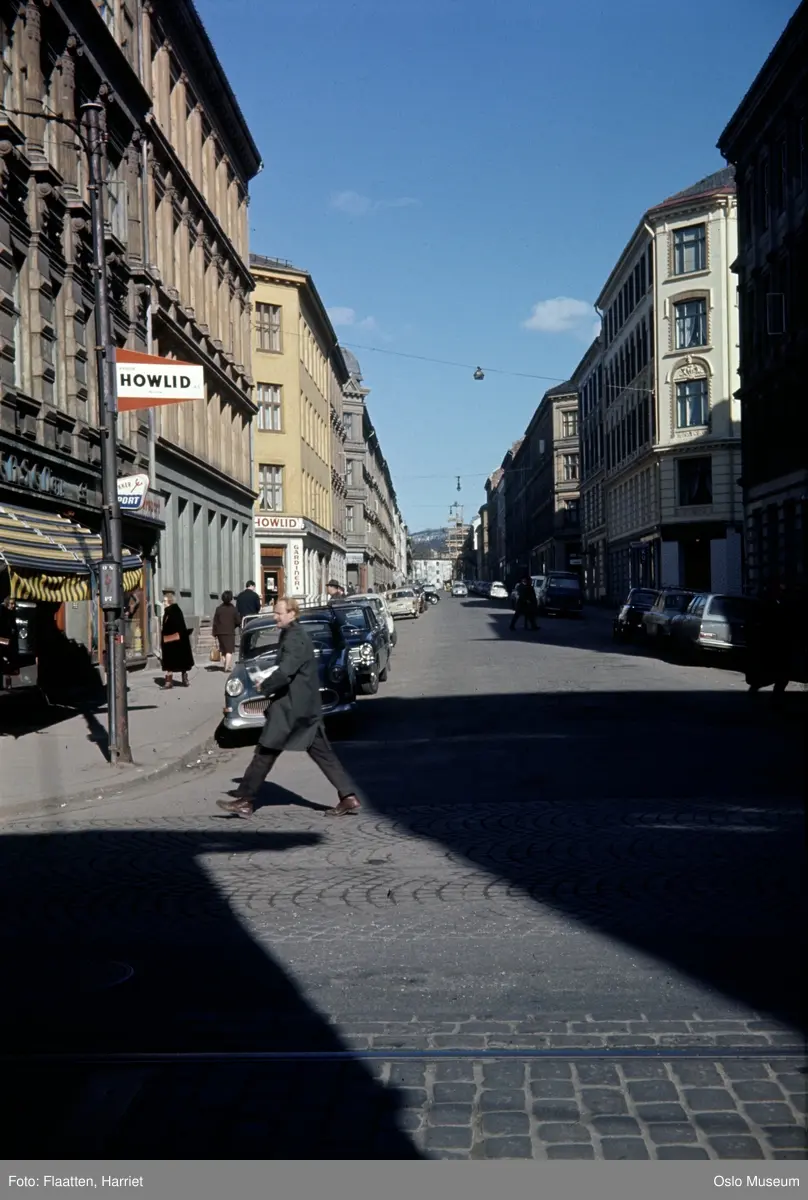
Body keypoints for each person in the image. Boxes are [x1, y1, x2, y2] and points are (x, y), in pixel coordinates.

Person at [218, 597, 361, 819]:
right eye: (275, 612)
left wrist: (264, 686)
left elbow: (286, 672)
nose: (275, 617)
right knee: (322, 754)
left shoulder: (295, 638)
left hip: (292, 709)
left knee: (265, 752)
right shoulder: (291, 634)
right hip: (304, 708)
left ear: (292, 614)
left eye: (279, 613)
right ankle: (348, 796)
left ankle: (245, 800)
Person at [160, 591, 194, 688]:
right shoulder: (167, 611)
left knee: (181, 661)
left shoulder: (175, 611)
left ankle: (184, 679)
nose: (163, 603)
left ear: (170, 601)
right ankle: (169, 681)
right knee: (169, 662)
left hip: (177, 640)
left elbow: (180, 626)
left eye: (165, 601)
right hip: (169, 640)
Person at [212, 590, 240, 673]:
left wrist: (214, 632)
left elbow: (215, 621)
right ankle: (226, 668)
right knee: (229, 650)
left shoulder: (218, 609)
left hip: (220, 632)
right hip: (229, 632)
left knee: (223, 650)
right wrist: (234, 626)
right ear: (231, 599)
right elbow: (238, 621)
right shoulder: (233, 609)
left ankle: (225, 665)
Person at [0, 595, 18, 671]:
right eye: (11, 604)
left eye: (14, 604)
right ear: (7, 603)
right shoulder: (2, 611)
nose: (13, 606)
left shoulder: (11, 612)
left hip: (8, 637)